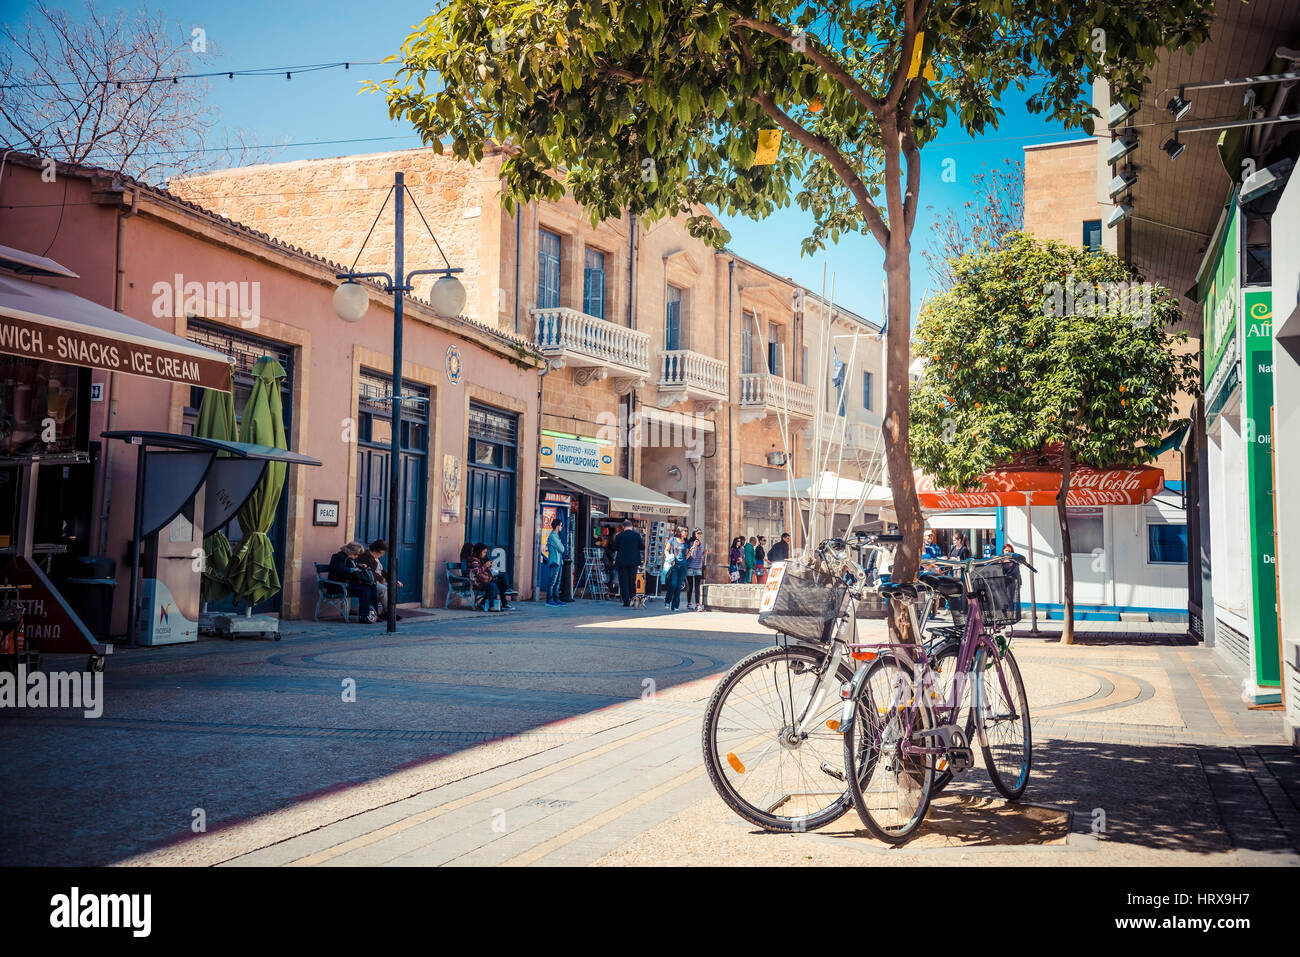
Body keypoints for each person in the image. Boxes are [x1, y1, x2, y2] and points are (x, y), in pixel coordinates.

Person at [328, 541, 378, 624]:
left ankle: (373, 614)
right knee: (365, 589)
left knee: (372, 586)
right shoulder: (337, 557)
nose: (356, 557)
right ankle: (364, 616)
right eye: (355, 555)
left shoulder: (351, 559)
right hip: (338, 585)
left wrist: (359, 566)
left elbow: (352, 567)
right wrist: (352, 569)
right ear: (349, 551)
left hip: (348, 584)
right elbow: (338, 570)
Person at [355, 539, 404, 621]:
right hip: (368, 582)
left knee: (391, 587)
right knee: (384, 589)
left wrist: (394, 581)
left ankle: (387, 612)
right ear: (375, 550)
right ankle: (388, 613)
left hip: (375, 581)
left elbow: (383, 571)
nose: (381, 555)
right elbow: (370, 571)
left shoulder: (375, 558)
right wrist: (380, 578)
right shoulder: (365, 557)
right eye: (381, 553)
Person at [613, 518, 644, 608]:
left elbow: (615, 547)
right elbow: (642, 547)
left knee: (623, 582)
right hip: (634, 562)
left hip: (622, 561)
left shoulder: (619, 536)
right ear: (632, 526)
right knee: (632, 581)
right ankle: (633, 599)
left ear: (623, 527)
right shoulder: (637, 535)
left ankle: (626, 601)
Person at [469, 543, 502, 611]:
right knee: (492, 586)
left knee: (498, 582)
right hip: (477, 583)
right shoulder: (474, 560)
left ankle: (488, 603)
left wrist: (490, 566)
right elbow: (476, 571)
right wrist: (485, 565)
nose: (485, 554)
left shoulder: (482, 559)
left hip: (483, 581)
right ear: (479, 551)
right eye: (484, 552)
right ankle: (491, 606)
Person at [665, 526, 688, 611]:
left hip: (683, 566)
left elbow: (686, 556)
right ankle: (667, 600)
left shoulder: (686, 543)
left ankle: (675, 606)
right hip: (674, 565)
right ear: (680, 531)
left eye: (687, 531)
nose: (686, 532)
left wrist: (692, 549)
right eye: (684, 531)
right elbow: (666, 550)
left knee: (679, 586)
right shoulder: (673, 540)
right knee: (673, 584)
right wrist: (669, 558)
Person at [545, 517, 566, 607]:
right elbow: (562, 549)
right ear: (557, 526)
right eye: (561, 525)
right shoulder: (553, 536)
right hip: (554, 562)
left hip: (558, 562)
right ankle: (549, 600)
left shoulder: (556, 536)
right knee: (552, 582)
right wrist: (561, 546)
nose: (562, 527)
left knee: (557, 582)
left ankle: (556, 599)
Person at [684, 528, 707, 610]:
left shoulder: (700, 543)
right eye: (698, 533)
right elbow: (692, 556)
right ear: (694, 534)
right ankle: (689, 603)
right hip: (690, 566)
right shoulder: (691, 543)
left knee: (697, 587)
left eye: (701, 533)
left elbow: (699, 555)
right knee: (690, 587)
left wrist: (704, 553)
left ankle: (697, 604)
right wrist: (694, 546)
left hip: (698, 567)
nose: (700, 534)